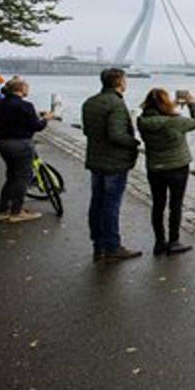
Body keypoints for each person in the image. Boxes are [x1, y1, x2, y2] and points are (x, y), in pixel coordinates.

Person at [82, 68, 142, 262]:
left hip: (96, 159)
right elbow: (116, 134)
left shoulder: (90, 102)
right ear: (118, 82)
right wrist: (134, 142)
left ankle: (98, 245)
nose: (126, 83)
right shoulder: (116, 104)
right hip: (114, 162)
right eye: (125, 79)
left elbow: (88, 131)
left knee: (97, 202)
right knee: (111, 204)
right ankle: (112, 246)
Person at [137, 88, 195, 256]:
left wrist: (169, 107)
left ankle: (159, 243)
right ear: (165, 103)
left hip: (155, 168)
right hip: (177, 167)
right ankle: (174, 242)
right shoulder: (174, 121)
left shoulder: (142, 121)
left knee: (158, 205)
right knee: (175, 205)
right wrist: (191, 103)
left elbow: (157, 117)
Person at [0, 78, 53, 223]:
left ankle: (3, 209)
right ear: (21, 89)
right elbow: (36, 126)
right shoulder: (25, 105)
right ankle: (17, 212)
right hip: (21, 144)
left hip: (3, 143)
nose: (28, 90)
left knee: (11, 177)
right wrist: (46, 119)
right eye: (27, 87)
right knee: (23, 178)